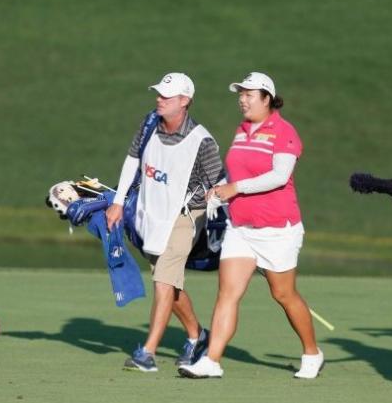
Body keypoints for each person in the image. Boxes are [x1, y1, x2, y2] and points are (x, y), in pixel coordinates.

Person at [178, 72, 323, 380]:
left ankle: (312, 352)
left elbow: (279, 176)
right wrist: (219, 191)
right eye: (240, 94)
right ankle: (212, 360)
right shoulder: (242, 131)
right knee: (227, 294)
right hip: (241, 227)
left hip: (277, 228)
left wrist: (235, 188)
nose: (242, 99)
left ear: (267, 98)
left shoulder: (284, 132)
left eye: (249, 94)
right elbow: (236, 174)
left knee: (284, 295)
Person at [105, 72, 225, 372]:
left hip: (187, 216)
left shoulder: (203, 141)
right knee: (167, 282)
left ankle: (147, 353)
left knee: (162, 280)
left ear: (184, 102)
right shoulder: (149, 124)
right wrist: (118, 201)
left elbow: (219, 185)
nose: (159, 99)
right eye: (158, 94)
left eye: (166, 96)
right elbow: (133, 159)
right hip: (154, 212)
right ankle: (198, 336)